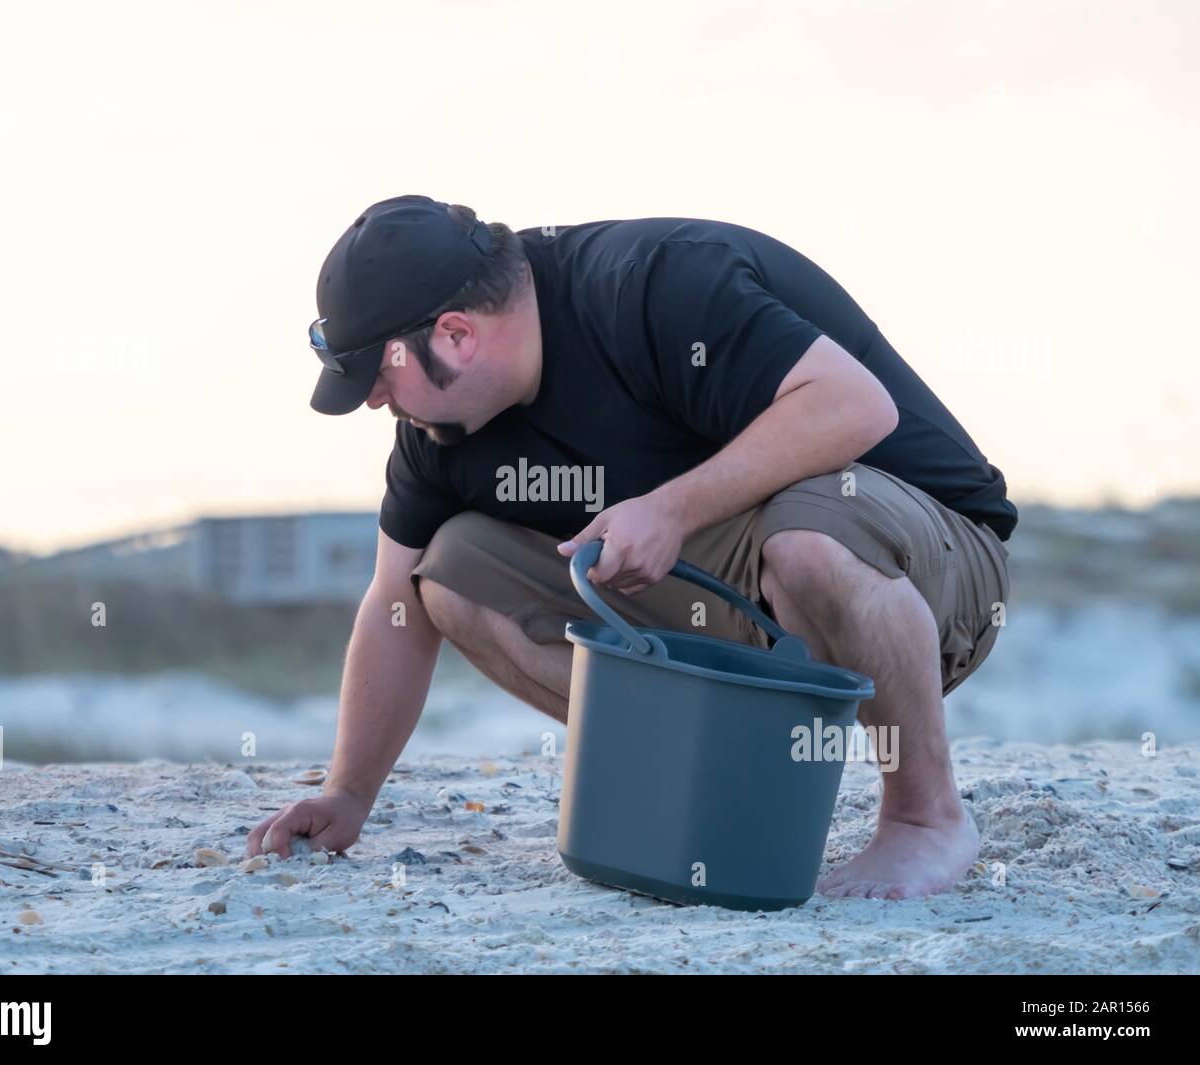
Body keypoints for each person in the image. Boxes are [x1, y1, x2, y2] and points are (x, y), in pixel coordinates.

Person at [247, 194, 1016, 900]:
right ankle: (712, 787)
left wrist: (671, 508)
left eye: (380, 372)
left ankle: (925, 818)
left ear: (455, 333)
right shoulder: (437, 432)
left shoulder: (654, 287)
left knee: (808, 538)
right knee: (444, 574)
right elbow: (392, 601)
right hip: (750, 591)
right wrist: (347, 792)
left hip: (934, 562)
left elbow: (856, 406)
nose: (377, 400)